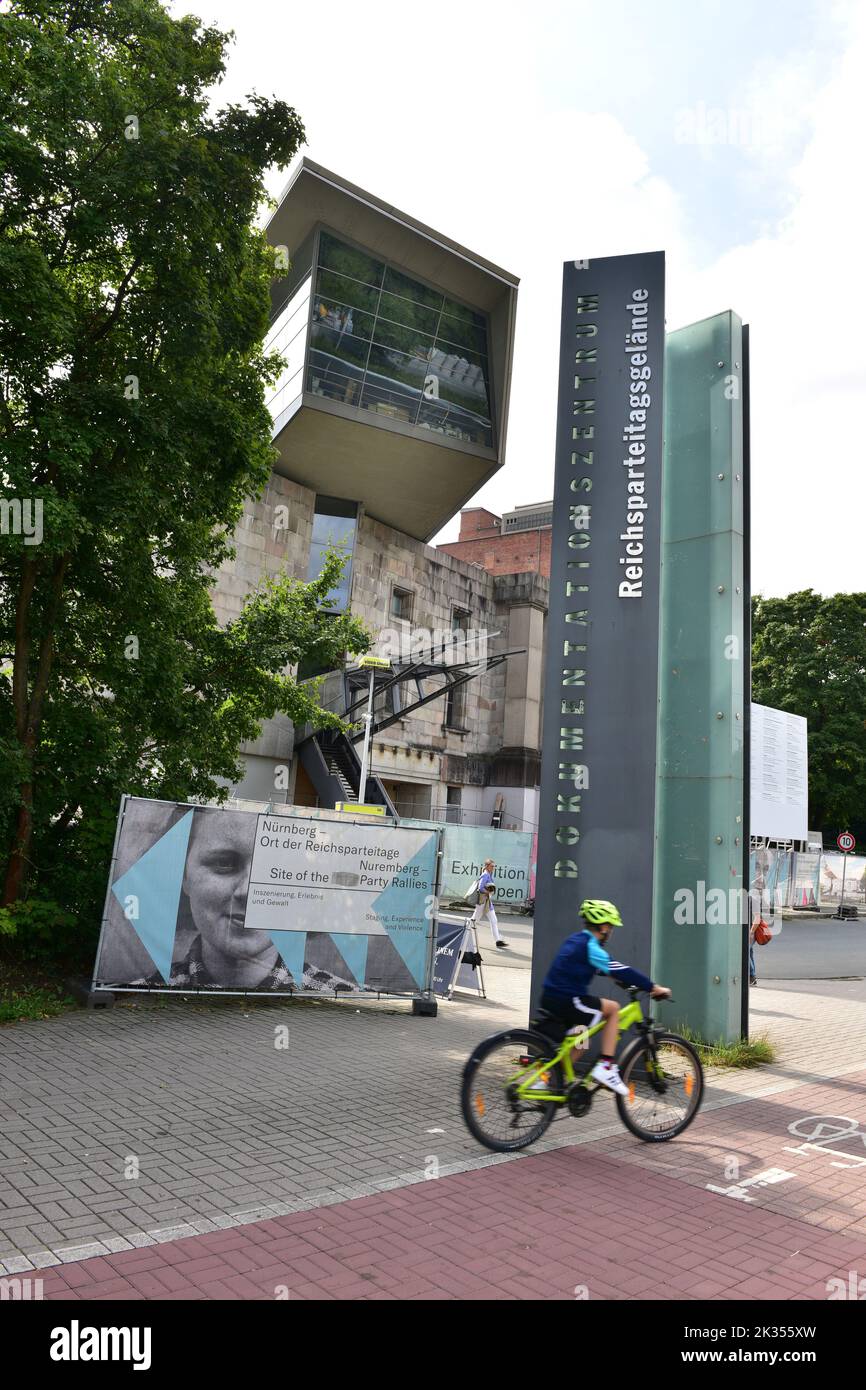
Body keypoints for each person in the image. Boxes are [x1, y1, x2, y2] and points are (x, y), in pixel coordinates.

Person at [536, 898, 671, 1097]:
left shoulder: (577, 940)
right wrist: (653, 987)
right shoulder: (591, 946)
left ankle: (548, 1081)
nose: (612, 931)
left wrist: (619, 980)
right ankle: (606, 1067)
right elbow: (620, 969)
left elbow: (596, 968)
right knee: (613, 1009)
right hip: (569, 1000)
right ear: (604, 926)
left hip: (552, 997)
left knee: (581, 1039)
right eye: (612, 927)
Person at [470, 858, 509, 949]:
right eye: (492, 866)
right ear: (487, 866)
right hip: (482, 902)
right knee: (474, 921)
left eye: (494, 866)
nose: (493, 868)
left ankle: (498, 941)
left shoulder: (489, 874)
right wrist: (488, 892)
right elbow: (480, 888)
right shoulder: (485, 875)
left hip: (487, 902)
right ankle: (464, 934)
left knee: (494, 920)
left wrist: (490, 891)